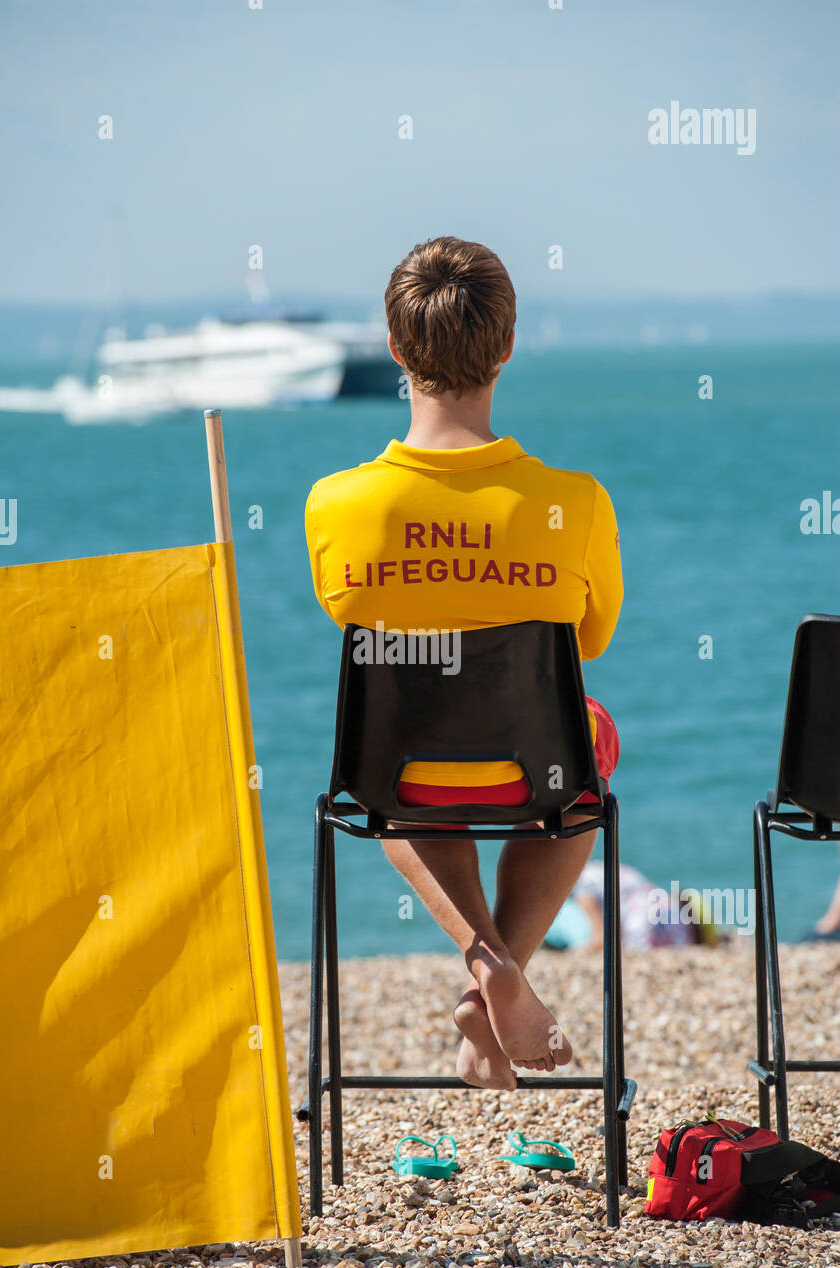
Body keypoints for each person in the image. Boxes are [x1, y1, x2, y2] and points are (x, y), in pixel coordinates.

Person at [305, 236, 623, 1090]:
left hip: (394, 780)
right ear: (508, 347)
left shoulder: (335, 503)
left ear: (396, 349)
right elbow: (585, 642)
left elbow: (353, 623)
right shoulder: (575, 501)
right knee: (593, 737)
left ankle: (491, 972)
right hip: (537, 777)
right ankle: (500, 977)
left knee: (401, 731)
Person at [545, 862, 719, 950]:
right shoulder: (643, 888)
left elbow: (585, 877)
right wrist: (600, 933)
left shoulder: (645, 887)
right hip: (574, 905)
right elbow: (585, 880)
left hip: (571, 901)